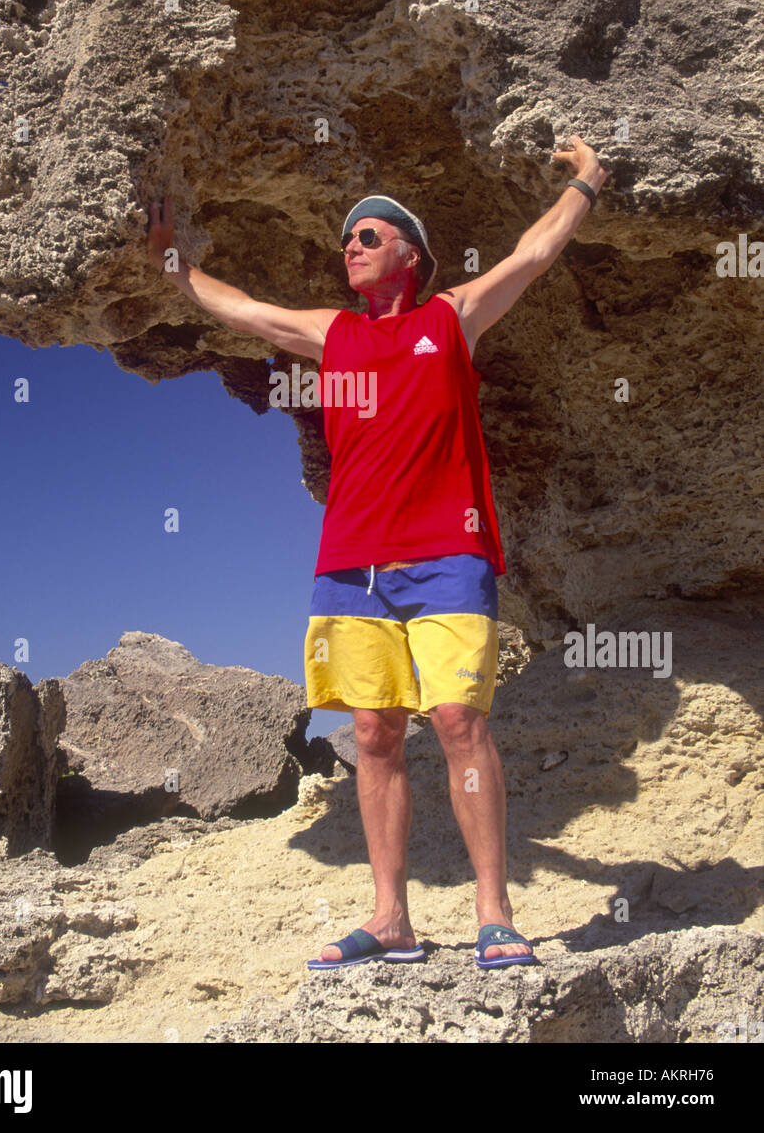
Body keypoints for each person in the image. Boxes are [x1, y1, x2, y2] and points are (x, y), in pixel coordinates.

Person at [146, 133, 608, 971]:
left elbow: (533, 254)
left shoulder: (450, 317)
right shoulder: (333, 334)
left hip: (447, 554)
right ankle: (389, 918)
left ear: (410, 256)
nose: (348, 246)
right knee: (372, 731)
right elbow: (240, 308)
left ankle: (493, 913)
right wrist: (174, 264)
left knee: (460, 722)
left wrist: (586, 180)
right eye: (347, 237)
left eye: (366, 235)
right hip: (350, 561)